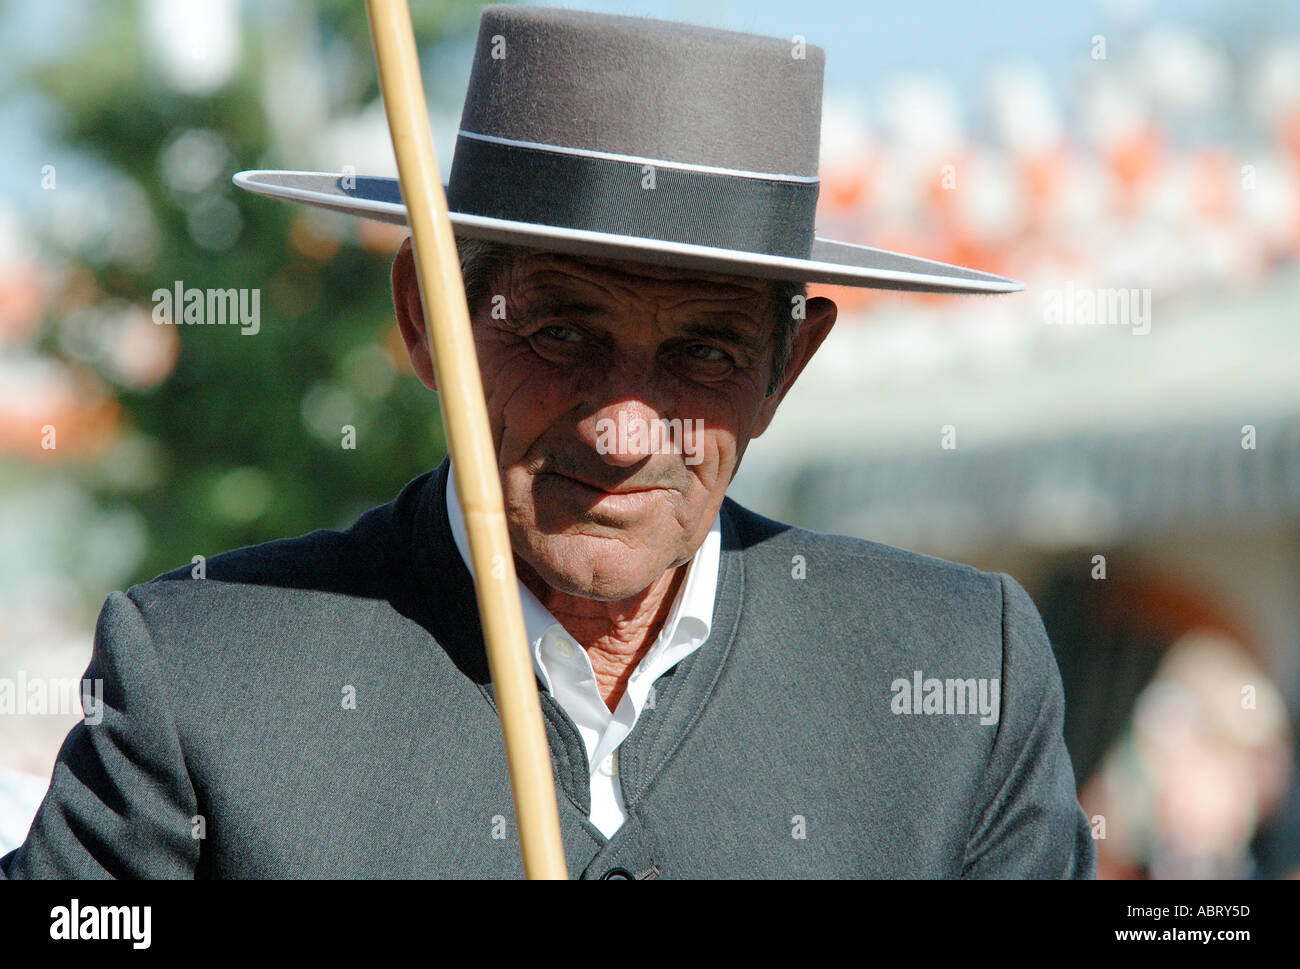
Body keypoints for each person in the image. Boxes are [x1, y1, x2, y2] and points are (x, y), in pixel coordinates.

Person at [1, 5, 1094, 878]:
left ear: (786, 368)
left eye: (704, 353)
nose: (622, 431)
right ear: (426, 318)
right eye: (562, 333)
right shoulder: (206, 675)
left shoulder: (958, 675)